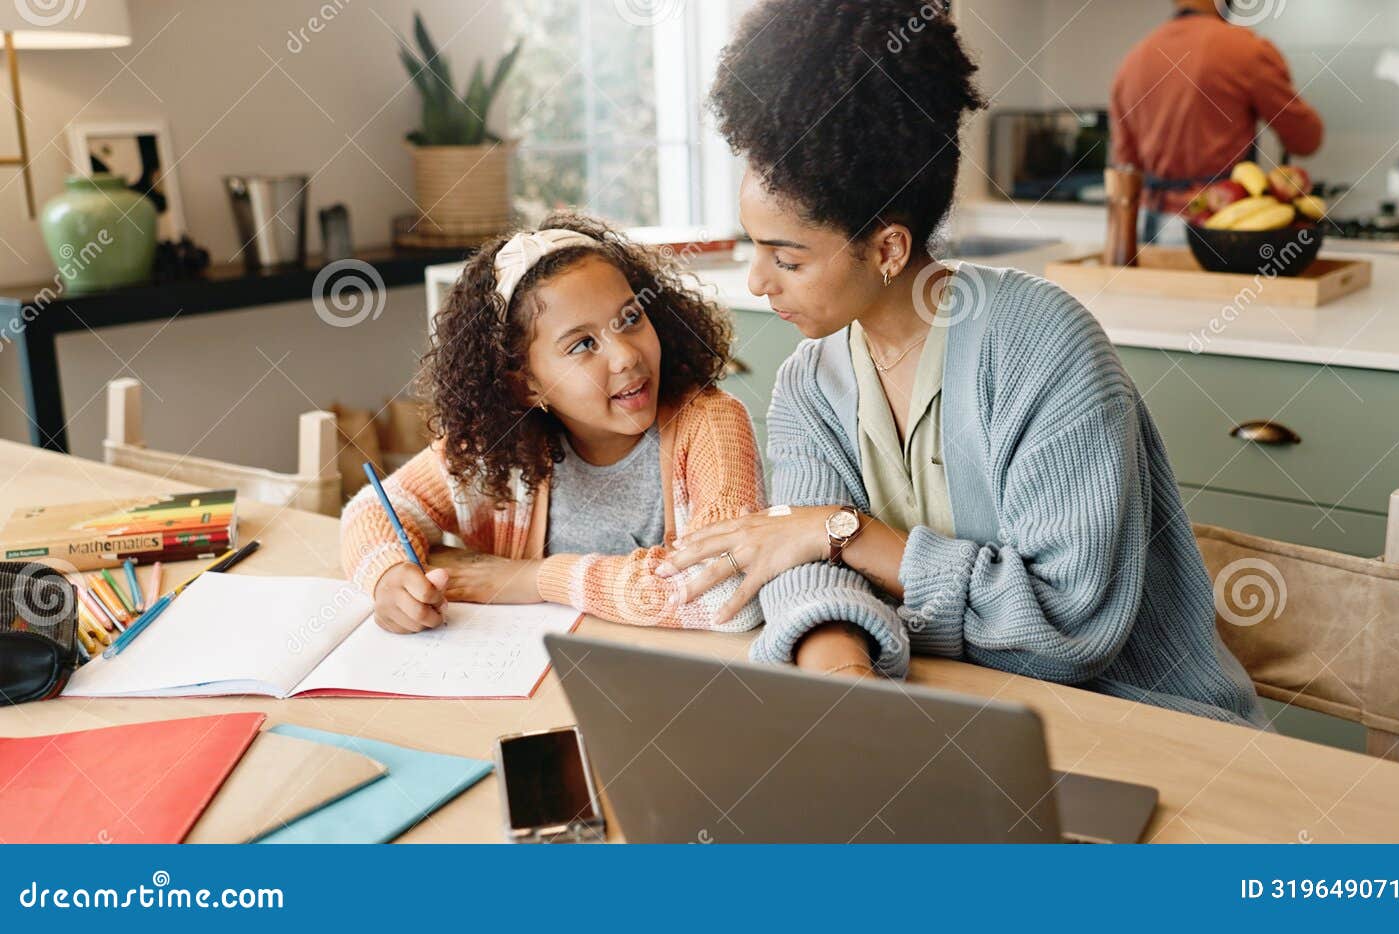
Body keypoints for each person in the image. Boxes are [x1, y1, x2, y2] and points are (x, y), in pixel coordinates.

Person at [658, 0, 1265, 726]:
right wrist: (851, 683)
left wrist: (846, 531)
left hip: (1142, 726)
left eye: (786, 257)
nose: (758, 282)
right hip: (950, 714)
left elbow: (1063, 634)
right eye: (752, 246)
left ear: (887, 250)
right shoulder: (810, 384)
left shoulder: (1043, 347)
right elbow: (805, 577)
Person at [340, 213, 765, 635]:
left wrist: (527, 578)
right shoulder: (497, 448)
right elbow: (372, 510)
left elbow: (727, 593)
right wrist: (390, 576)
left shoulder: (711, 423)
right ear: (527, 385)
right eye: (583, 344)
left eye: (631, 318)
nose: (626, 357)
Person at [1110, 0, 1323, 244]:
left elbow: (1125, 164)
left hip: (1151, 225)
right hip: (1221, 222)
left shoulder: (1133, 60)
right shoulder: (1245, 50)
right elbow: (1306, 140)